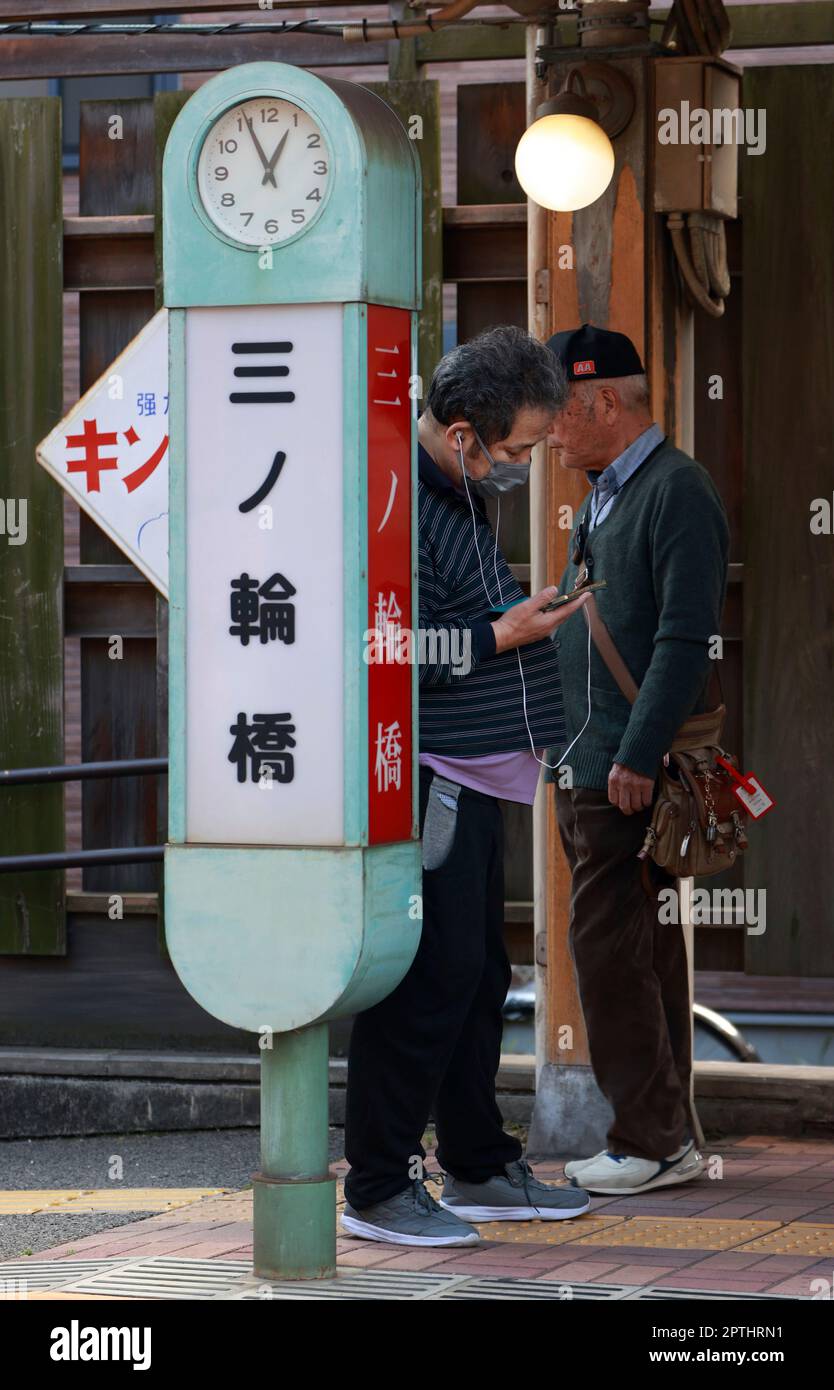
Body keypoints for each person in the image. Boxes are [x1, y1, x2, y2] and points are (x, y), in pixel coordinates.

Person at [342, 326, 592, 1246]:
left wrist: (507, 622)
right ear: (461, 433)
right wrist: (500, 636)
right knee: (429, 977)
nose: (521, 466)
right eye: (517, 449)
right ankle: (376, 1184)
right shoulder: (395, 501)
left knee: (481, 972)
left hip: (475, 772)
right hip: (431, 773)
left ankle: (479, 1162)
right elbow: (375, 650)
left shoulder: (450, 493)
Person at [544, 323, 730, 1197]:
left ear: (605, 403)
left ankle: (649, 1140)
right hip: (590, 758)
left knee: (611, 948)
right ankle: (668, 1138)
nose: (549, 431)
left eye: (560, 414)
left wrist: (638, 751)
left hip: (620, 767)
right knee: (641, 947)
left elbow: (684, 637)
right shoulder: (604, 494)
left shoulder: (676, 491)